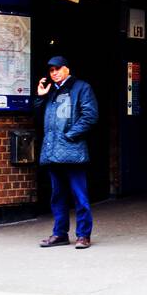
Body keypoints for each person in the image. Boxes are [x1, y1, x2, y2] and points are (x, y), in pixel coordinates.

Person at [35, 55, 100, 247]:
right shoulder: (50, 91)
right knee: (57, 196)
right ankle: (60, 234)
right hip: (53, 152)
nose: (54, 73)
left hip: (72, 152)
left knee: (79, 195)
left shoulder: (81, 87)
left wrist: (70, 135)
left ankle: (83, 235)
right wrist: (40, 96)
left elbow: (90, 116)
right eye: (51, 70)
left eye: (58, 69)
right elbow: (38, 115)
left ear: (67, 69)